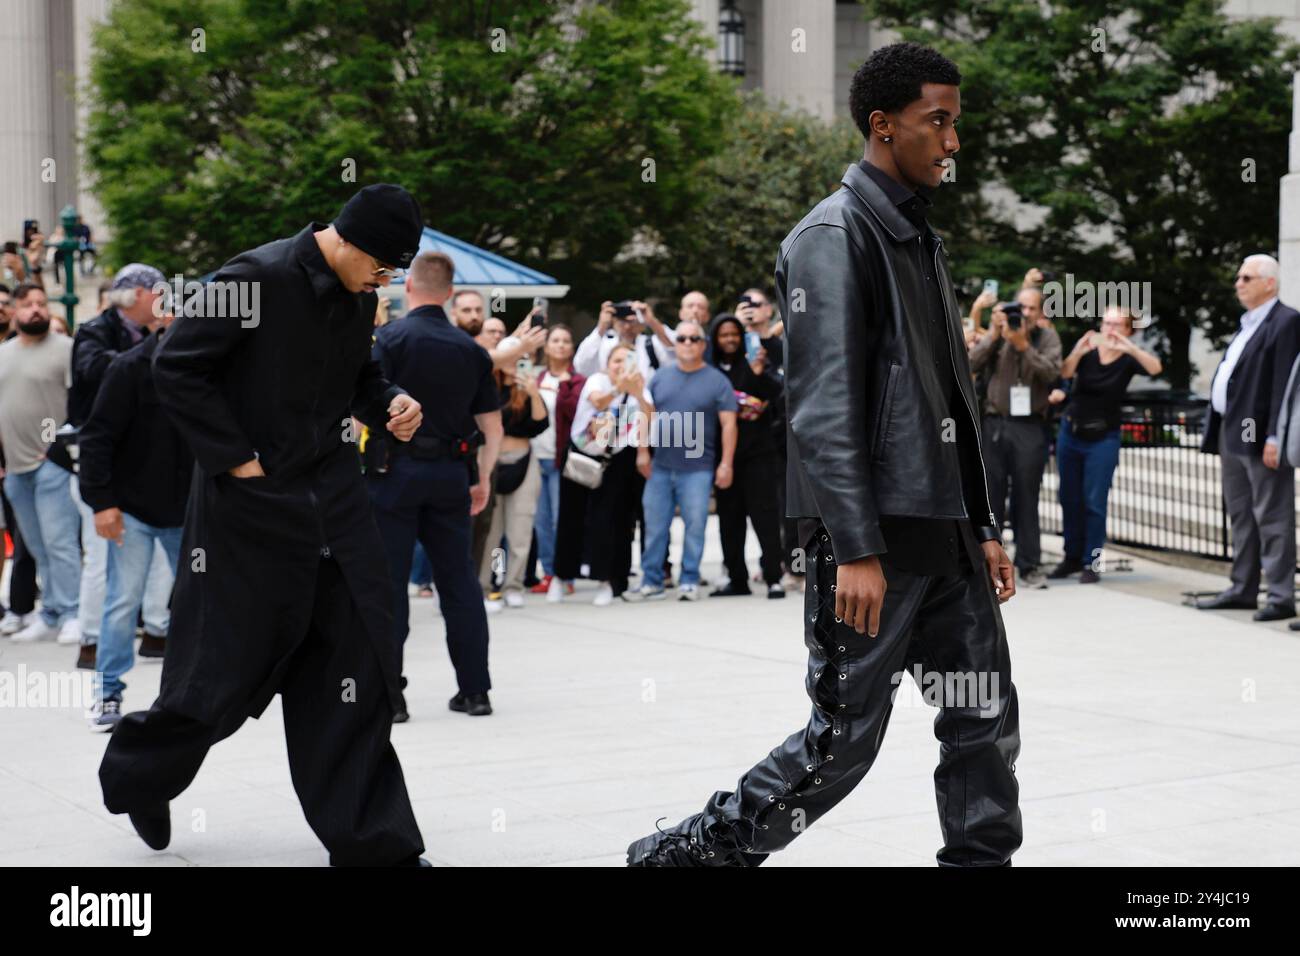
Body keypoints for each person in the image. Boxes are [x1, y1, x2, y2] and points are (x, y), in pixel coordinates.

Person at [627, 42, 1021, 867]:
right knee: (840, 743)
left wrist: (981, 523)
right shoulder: (832, 236)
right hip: (875, 536)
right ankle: (694, 854)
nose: (953, 142)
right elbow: (824, 406)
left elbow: (951, 394)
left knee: (983, 722)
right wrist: (854, 546)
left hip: (946, 530)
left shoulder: (920, 236)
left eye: (957, 123)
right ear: (883, 126)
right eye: (937, 123)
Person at [98, 184, 428, 865]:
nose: (386, 281)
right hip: (248, 515)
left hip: (334, 506)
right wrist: (236, 459)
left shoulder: (359, 296)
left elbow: (361, 376)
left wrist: (391, 401)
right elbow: (176, 365)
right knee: (221, 675)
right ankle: (140, 775)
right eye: (384, 265)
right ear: (353, 241)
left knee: (355, 666)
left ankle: (376, 846)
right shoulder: (250, 276)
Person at [369, 251, 501, 721]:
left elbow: (354, 408)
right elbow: (492, 426)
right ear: (449, 293)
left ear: (408, 288)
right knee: (460, 584)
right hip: (452, 474)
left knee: (388, 588)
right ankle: (475, 691)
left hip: (393, 474)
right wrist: (482, 477)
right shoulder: (471, 351)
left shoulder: (387, 339)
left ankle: (391, 697)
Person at [77, 310, 193, 731]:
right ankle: (108, 692)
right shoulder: (127, 368)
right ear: (159, 318)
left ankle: (192, 691)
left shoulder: (211, 366)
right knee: (123, 602)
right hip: (133, 510)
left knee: (198, 600)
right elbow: (97, 435)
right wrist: (102, 502)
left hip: (189, 510)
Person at [69, 264, 167, 670]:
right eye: (157, 292)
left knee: (163, 567)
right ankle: (91, 642)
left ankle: (158, 633)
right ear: (138, 295)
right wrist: (153, 349)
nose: (163, 300)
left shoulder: (153, 334)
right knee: (103, 563)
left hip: (150, 472)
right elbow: (94, 370)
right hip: (105, 471)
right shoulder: (94, 332)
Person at [1197, 254, 1300, 621]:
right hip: (1233, 431)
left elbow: (1282, 386)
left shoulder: (1286, 321)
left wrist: (1275, 435)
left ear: (1269, 282)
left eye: (1246, 277)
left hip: (1259, 435)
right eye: (1238, 277)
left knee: (1272, 516)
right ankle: (1242, 588)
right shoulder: (1247, 324)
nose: (1238, 283)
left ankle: (1281, 595)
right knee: (1241, 515)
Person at [623, 318, 737, 602]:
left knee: (695, 526)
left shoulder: (717, 381)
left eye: (693, 339)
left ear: (703, 345)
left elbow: (729, 425)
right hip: (660, 466)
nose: (687, 343)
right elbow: (645, 414)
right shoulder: (660, 377)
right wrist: (642, 452)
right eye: (682, 338)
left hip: (697, 469)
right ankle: (651, 581)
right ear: (675, 344)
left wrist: (726, 464)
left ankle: (689, 579)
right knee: (654, 527)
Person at [1048, 307, 1162, 583]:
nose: (1109, 329)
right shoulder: (1087, 354)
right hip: (1071, 432)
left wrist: (1129, 347)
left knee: (1095, 503)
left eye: (1116, 324)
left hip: (1103, 437)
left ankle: (1093, 561)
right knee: (1068, 497)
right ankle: (1071, 556)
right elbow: (1064, 371)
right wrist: (1077, 349)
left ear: (1128, 330)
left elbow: (1155, 368)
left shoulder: (1127, 359)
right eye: (1106, 323)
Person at [0, 283, 82, 645]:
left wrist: (59, 449)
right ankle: (50, 612)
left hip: (52, 463)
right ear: (15, 311)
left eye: (41, 303)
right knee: (36, 545)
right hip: (14, 467)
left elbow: (80, 404)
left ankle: (73, 613)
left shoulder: (66, 350)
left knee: (60, 542)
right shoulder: (4, 353)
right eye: (28, 303)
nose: (36, 309)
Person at [968, 286, 1062, 587]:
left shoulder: (1046, 337)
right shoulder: (999, 335)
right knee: (990, 497)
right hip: (995, 424)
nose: (1024, 313)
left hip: (1029, 426)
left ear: (1041, 312)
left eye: (1031, 308)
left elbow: (1051, 374)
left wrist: (1023, 346)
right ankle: (988, 566)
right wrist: (995, 336)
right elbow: (969, 364)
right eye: (1020, 306)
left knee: (1026, 496)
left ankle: (1029, 565)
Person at [707, 313, 785, 598]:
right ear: (715, 339)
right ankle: (737, 578)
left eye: (734, 334)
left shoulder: (755, 363)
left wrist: (757, 371)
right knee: (729, 519)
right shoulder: (710, 370)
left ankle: (773, 576)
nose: (729, 339)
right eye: (724, 335)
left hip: (759, 454)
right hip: (724, 457)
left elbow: (777, 392)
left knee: (765, 516)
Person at [569, 344, 652, 605]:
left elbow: (650, 417)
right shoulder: (598, 379)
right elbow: (598, 401)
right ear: (608, 362)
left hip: (625, 456)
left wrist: (637, 393)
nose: (621, 365)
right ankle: (596, 577)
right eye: (616, 360)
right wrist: (619, 387)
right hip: (592, 454)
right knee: (596, 519)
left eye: (627, 359)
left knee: (625, 522)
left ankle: (620, 580)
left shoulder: (640, 383)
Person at [477, 341, 548, 607]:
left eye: (518, 356)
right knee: (491, 533)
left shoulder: (525, 388)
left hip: (523, 461)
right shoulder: (486, 386)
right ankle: (486, 584)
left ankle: (513, 585)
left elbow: (540, 423)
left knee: (520, 531)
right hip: (491, 463)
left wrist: (533, 392)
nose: (512, 361)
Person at [530, 324, 578, 599]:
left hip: (561, 460)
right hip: (535, 459)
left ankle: (565, 574)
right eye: (555, 340)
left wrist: (563, 391)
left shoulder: (577, 380)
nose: (560, 345)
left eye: (565, 341)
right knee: (542, 522)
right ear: (546, 347)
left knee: (563, 520)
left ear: (571, 348)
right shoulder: (535, 379)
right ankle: (549, 572)